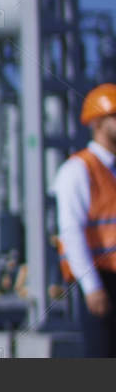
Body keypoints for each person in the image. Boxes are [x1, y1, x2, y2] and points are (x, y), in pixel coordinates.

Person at [54, 84, 116, 357]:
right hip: (103, 281)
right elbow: (72, 233)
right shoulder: (78, 169)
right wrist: (92, 287)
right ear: (99, 122)